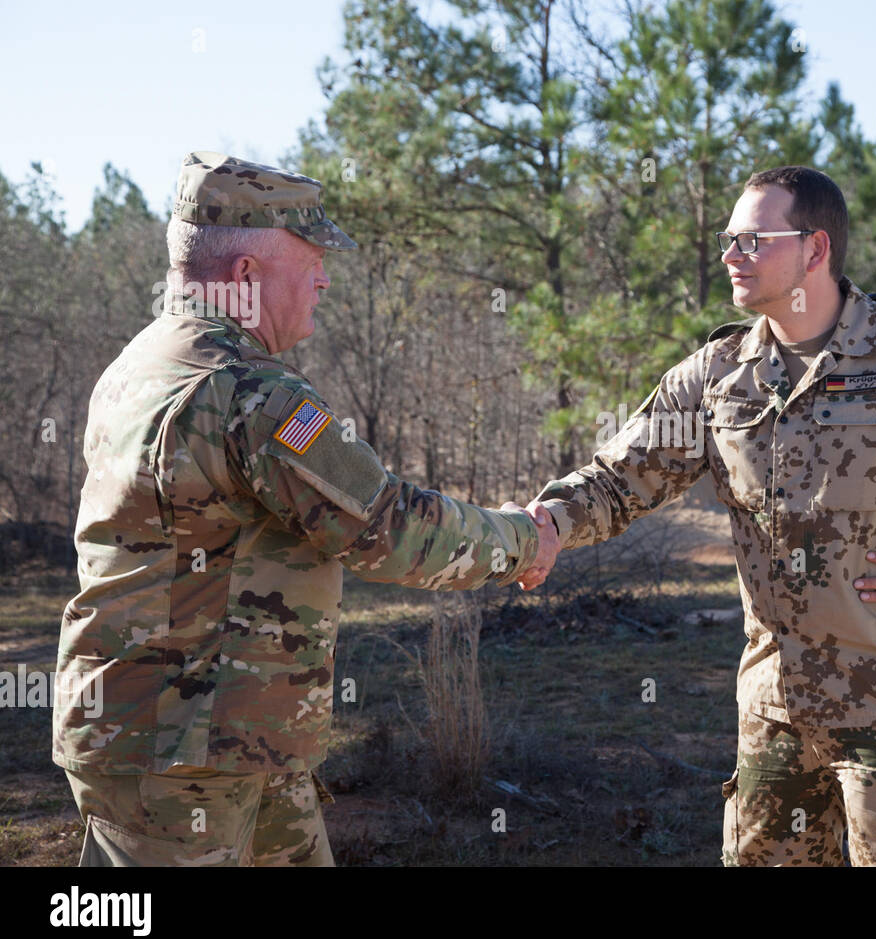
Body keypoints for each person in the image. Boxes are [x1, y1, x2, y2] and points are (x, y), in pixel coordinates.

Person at [523, 165, 876, 866]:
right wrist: (552, 522)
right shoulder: (718, 374)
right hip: (773, 709)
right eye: (729, 239)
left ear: (815, 249)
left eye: (752, 240)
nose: (731, 255)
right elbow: (620, 479)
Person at [52, 151, 559, 867]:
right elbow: (388, 527)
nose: (324, 276)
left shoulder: (141, 364)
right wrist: (520, 540)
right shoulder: (249, 394)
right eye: (311, 257)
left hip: (221, 743)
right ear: (248, 278)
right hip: (180, 762)